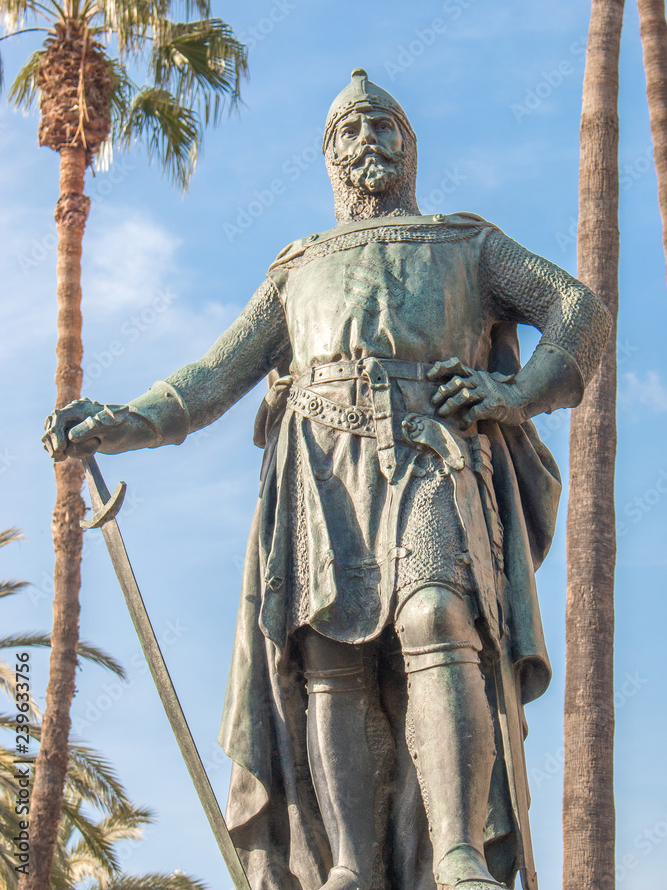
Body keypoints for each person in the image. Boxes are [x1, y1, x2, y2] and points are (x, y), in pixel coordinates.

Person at [44, 69, 611, 890]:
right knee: (329, 656)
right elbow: (214, 374)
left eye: (383, 126)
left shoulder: (463, 243)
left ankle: (454, 851)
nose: (367, 141)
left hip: (427, 449)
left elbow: (576, 307)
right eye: (348, 131)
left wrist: (517, 395)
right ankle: (347, 860)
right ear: (328, 159)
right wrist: (126, 422)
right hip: (318, 468)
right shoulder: (297, 269)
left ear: (408, 147)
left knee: (437, 616)